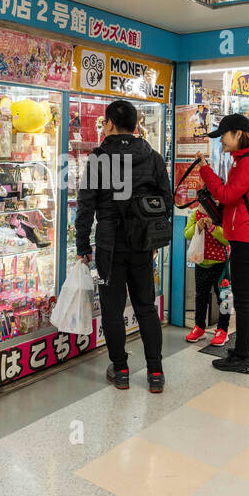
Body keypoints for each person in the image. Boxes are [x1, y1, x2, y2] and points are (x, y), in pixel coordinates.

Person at [76, 99, 172, 393]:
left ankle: (120, 370)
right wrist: (152, 236)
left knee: (113, 310)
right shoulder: (152, 156)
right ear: (136, 125)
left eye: (104, 122)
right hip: (143, 246)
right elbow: (166, 202)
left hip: (109, 246)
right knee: (145, 307)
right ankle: (155, 372)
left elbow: (85, 206)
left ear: (109, 124)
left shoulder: (99, 158)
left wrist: (83, 246)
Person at [200, 113, 249, 373]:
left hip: (245, 238)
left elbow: (227, 195)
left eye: (223, 137)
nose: (221, 143)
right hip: (245, 236)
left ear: (238, 133)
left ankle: (242, 357)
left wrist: (206, 172)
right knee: (247, 297)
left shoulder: (248, 164)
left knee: (241, 300)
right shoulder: (248, 161)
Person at [183, 205, 230, 347]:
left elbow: (228, 239)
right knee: (200, 297)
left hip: (221, 264)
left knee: (225, 298)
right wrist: (197, 227)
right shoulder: (195, 214)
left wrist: (213, 228)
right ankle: (199, 327)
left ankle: (223, 329)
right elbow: (187, 234)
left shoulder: (223, 213)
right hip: (201, 263)